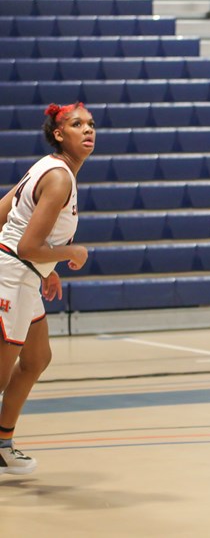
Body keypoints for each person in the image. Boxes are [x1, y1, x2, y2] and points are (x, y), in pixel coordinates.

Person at [0, 103, 91, 475]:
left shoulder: (48, 166)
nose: (87, 130)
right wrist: (71, 253)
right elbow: (25, 246)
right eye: (76, 124)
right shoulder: (59, 177)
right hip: (13, 274)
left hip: (25, 273)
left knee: (37, 359)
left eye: (90, 124)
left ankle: (2, 443)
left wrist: (46, 267)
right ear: (58, 134)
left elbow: (4, 210)